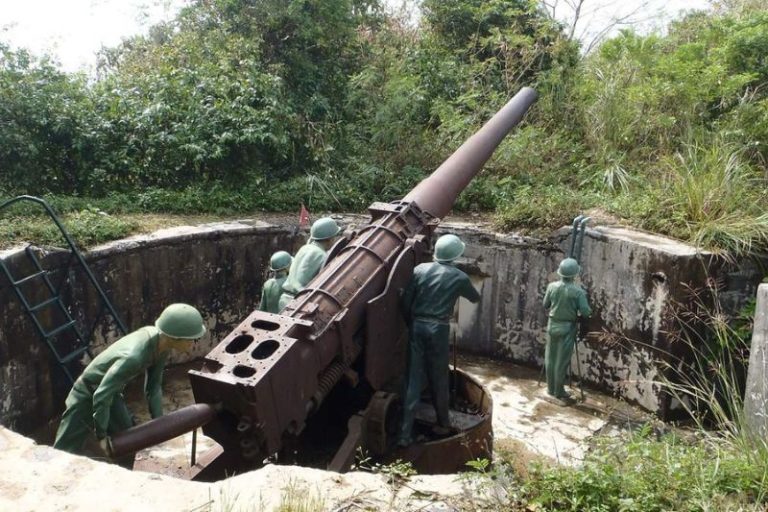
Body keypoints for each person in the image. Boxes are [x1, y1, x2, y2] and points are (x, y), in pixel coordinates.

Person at [53, 303, 206, 461]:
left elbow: (153, 388)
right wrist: (102, 436)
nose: (192, 344)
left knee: (127, 444)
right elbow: (100, 396)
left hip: (111, 394)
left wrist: (160, 424)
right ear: (175, 337)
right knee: (64, 449)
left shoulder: (161, 345)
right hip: (87, 393)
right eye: (190, 339)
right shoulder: (134, 357)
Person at [397, 234, 480, 448]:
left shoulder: (419, 270)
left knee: (412, 380)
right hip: (439, 329)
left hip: (417, 326)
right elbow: (474, 297)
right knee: (439, 376)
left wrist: (411, 323)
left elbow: (405, 301)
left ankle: (404, 435)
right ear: (456, 255)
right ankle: (443, 422)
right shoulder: (459, 277)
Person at [542, 257, 591, 405]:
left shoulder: (552, 286)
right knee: (562, 360)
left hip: (552, 325)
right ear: (575, 275)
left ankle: (550, 389)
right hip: (567, 327)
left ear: (560, 273)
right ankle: (559, 391)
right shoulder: (578, 292)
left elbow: (545, 304)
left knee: (550, 357)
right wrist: (589, 310)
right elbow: (585, 312)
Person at [278, 217, 342, 309]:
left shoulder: (304, 248)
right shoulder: (323, 256)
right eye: (334, 237)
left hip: (284, 299)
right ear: (329, 239)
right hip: (300, 303)